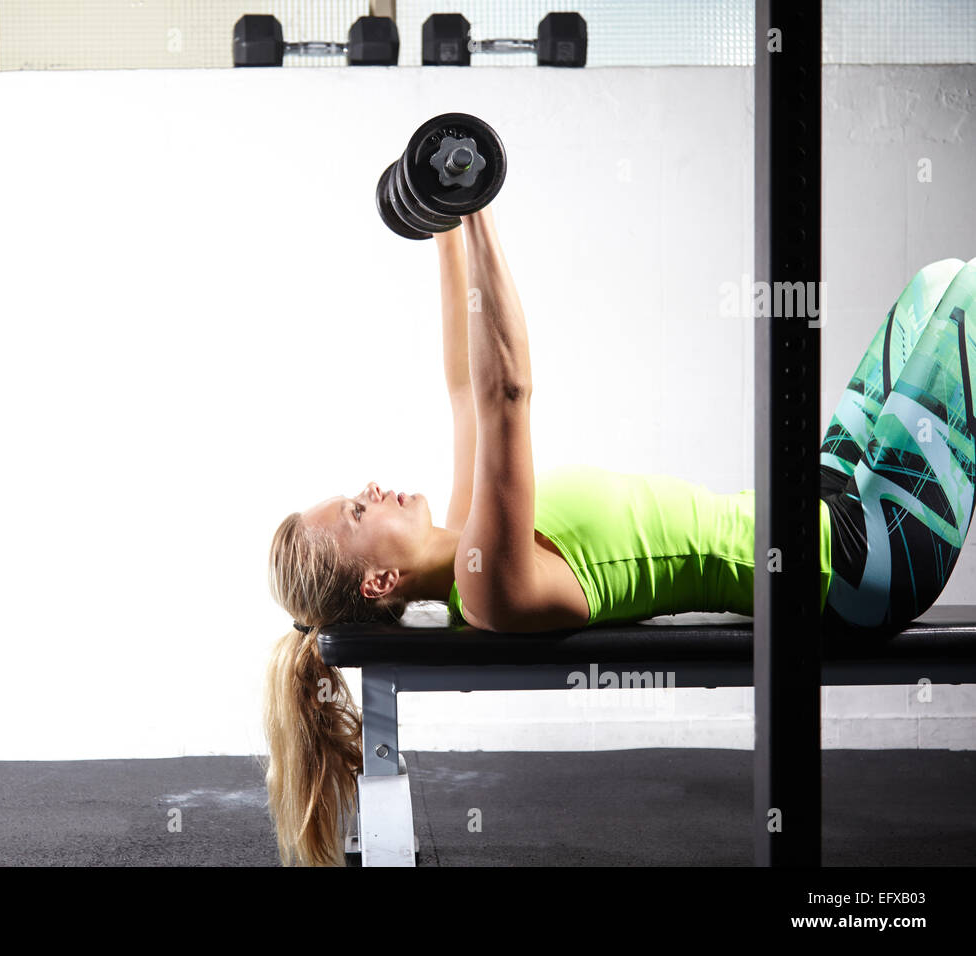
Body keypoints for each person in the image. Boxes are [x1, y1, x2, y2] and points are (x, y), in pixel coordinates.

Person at [263, 203, 976, 865]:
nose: (372, 491)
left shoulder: (470, 534)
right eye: (359, 513)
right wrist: (476, 207)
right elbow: (503, 391)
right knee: (971, 296)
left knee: (940, 282)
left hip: (821, 504)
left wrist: (444, 224)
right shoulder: (488, 583)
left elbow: (462, 389)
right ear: (380, 582)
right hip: (855, 561)